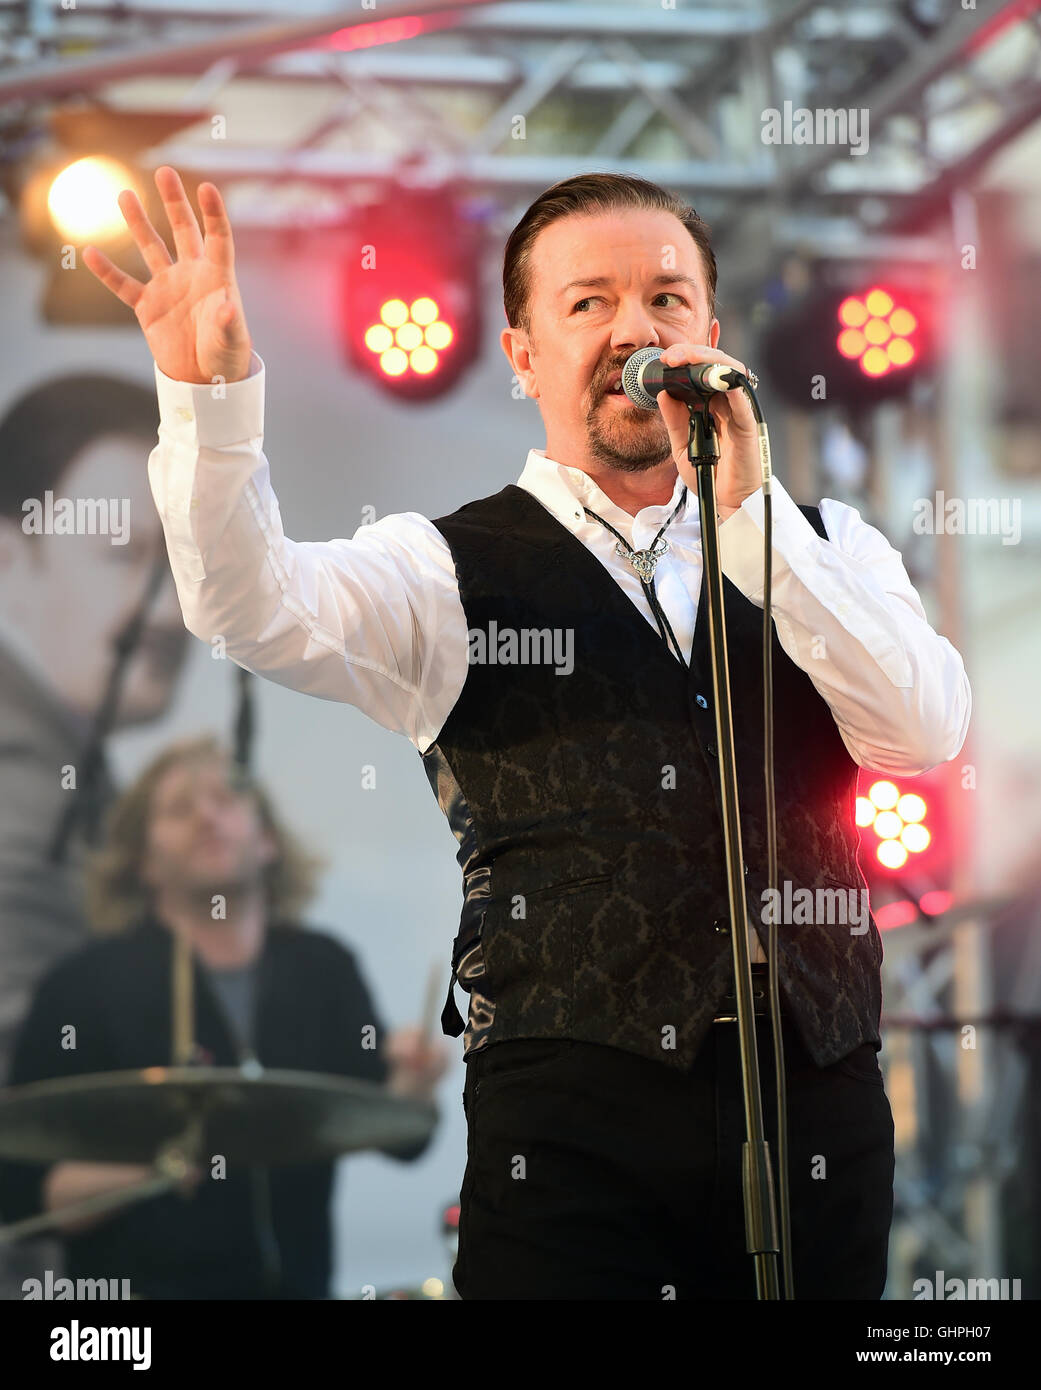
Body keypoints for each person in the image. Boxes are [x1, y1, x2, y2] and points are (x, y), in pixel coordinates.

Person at [81, 167, 971, 1300]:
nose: (633, 328)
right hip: (573, 1122)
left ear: (710, 332)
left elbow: (923, 733)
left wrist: (752, 521)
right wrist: (208, 401)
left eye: (665, 297)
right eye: (588, 302)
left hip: (819, 1100)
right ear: (522, 356)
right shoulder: (442, 570)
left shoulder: (825, 542)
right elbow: (251, 606)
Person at [0, 737, 448, 1299]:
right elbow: (17, 1185)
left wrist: (416, 1085)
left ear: (265, 840)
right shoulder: (81, 986)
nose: (207, 816)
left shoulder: (323, 968)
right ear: (144, 861)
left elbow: (399, 1137)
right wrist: (156, 1170)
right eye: (180, 808)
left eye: (225, 799)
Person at [0, 372, 191, 1298]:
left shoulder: (71, 763)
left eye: (178, 563)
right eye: (122, 555)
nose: (166, 613)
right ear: (9, 557)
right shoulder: (20, 780)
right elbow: (28, 1134)